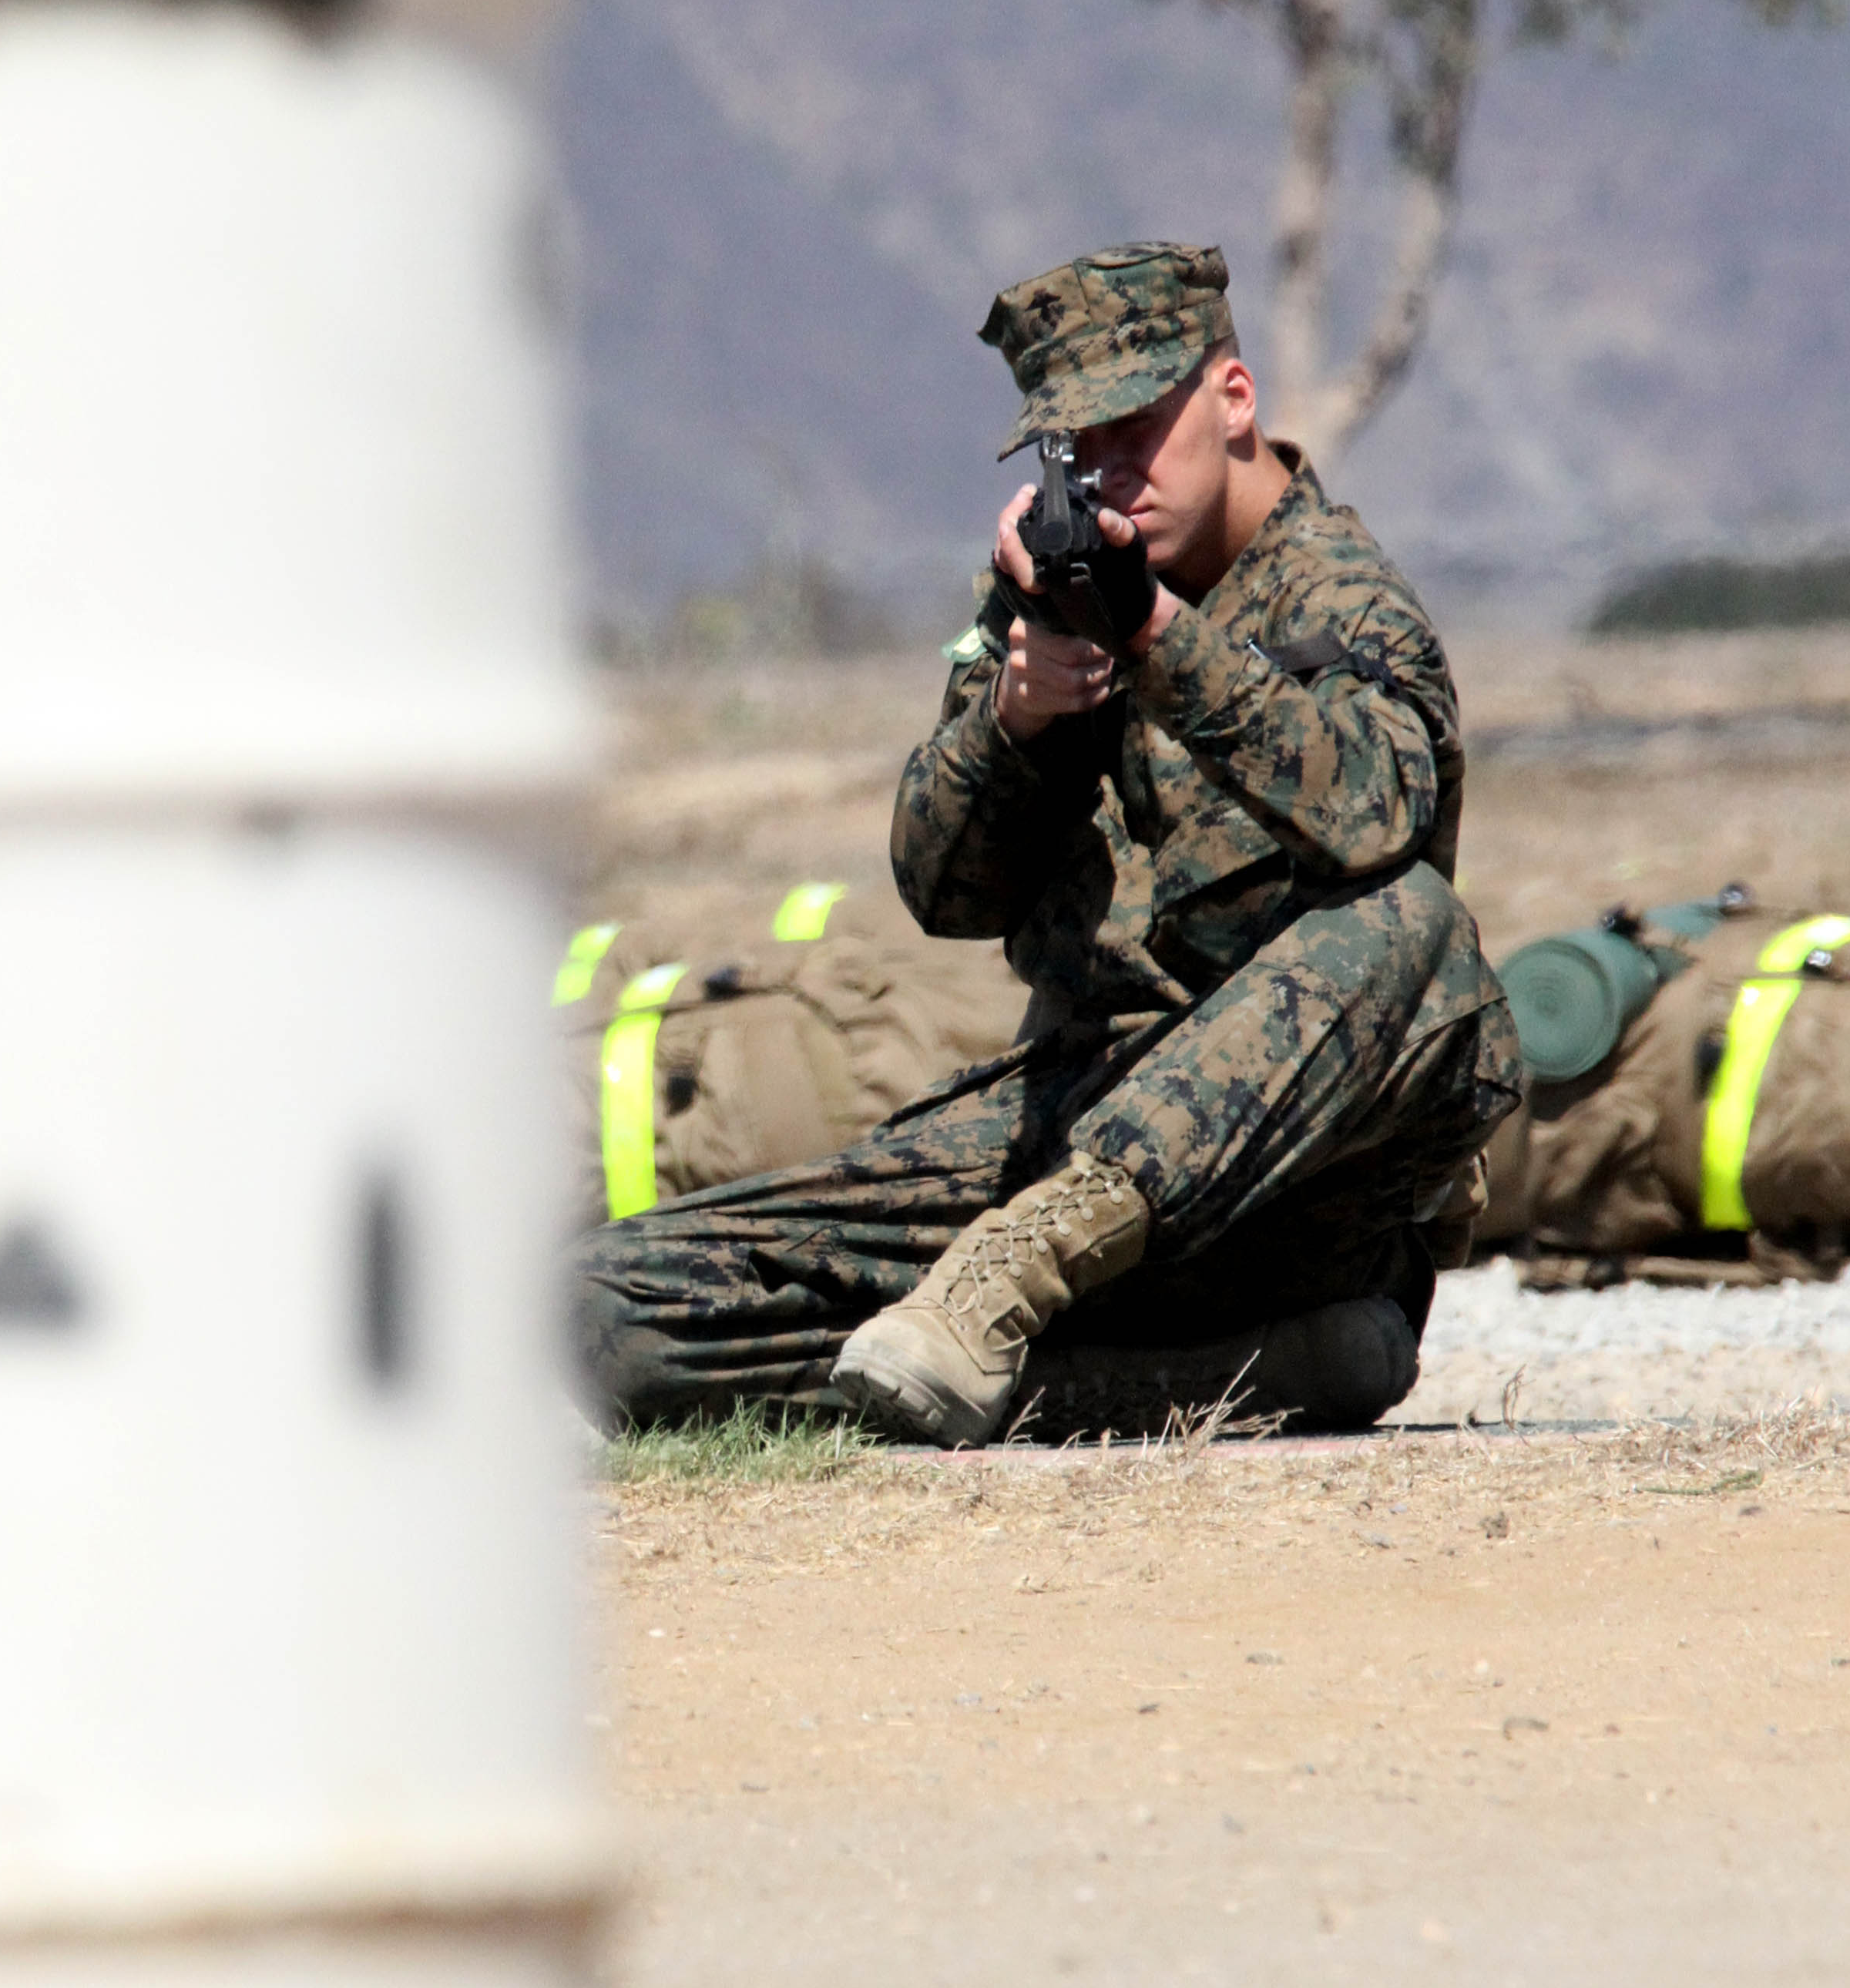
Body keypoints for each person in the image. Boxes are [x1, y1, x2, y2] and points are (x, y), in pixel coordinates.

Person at [577, 239, 1523, 1441]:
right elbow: (942, 890)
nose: (1112, 475)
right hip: (1077, 1110)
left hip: (1288, 1188)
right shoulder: (1058, 593)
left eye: (1137, 430)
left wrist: (1159, 641)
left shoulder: (1341, 602)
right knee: (603, 1315)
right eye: (1077, 450)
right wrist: (1021, 724)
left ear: (1233, 401)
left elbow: (1383, 818)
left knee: (1419, 929)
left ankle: (1014, 1292)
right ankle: (1200, 1376)